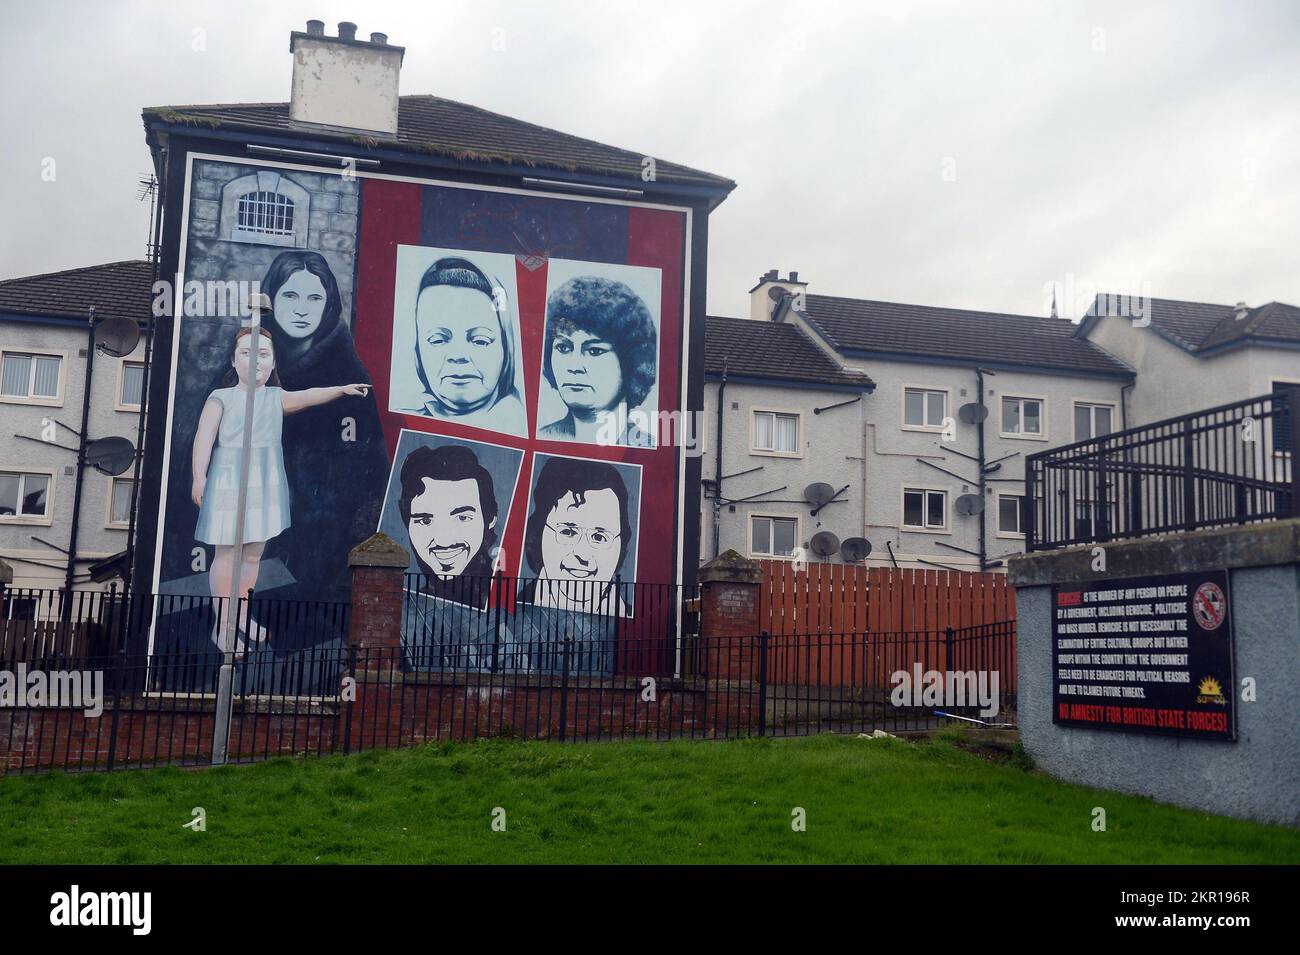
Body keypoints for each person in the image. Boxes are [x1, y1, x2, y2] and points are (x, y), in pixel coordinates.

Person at [191, 326, 370, 653]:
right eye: (247, 353)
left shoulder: (276, 398)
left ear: (273, 364)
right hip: (230, 478)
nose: (255, 361)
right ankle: (222, 625)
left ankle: (242, 615)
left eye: (263, 355)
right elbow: (204, 436)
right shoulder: (221, 398)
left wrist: (342, 390)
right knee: (227, 553)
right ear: (233, 360)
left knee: (253, 554)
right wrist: (199, 477)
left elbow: (310, 394)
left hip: (265, 479)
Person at [256, 250, 390, 606]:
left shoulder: (350, 380)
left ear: (329, 303)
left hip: (320, 562)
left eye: (315, 297)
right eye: (290, 295)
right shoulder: (246, 366)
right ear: (272, 298)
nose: (302, 309)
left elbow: (373, 477)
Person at [401, 256, 525, 435]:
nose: (458, 355)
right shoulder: (400, 424)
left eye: (480, 340)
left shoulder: (521, 427)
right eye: (438, 340)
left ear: (507, 348)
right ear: (417, 350)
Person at [539, 276, 657, 447]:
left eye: (594, 351)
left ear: (631, 363)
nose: (574, 367)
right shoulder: (543, 437)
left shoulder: (647, 449)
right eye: (564, 348)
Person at [518, 457, 632, 617]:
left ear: (621, 544)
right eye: (568, 532)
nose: (583, 554)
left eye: (599, 537)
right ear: (539, 533)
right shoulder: (511, 610)